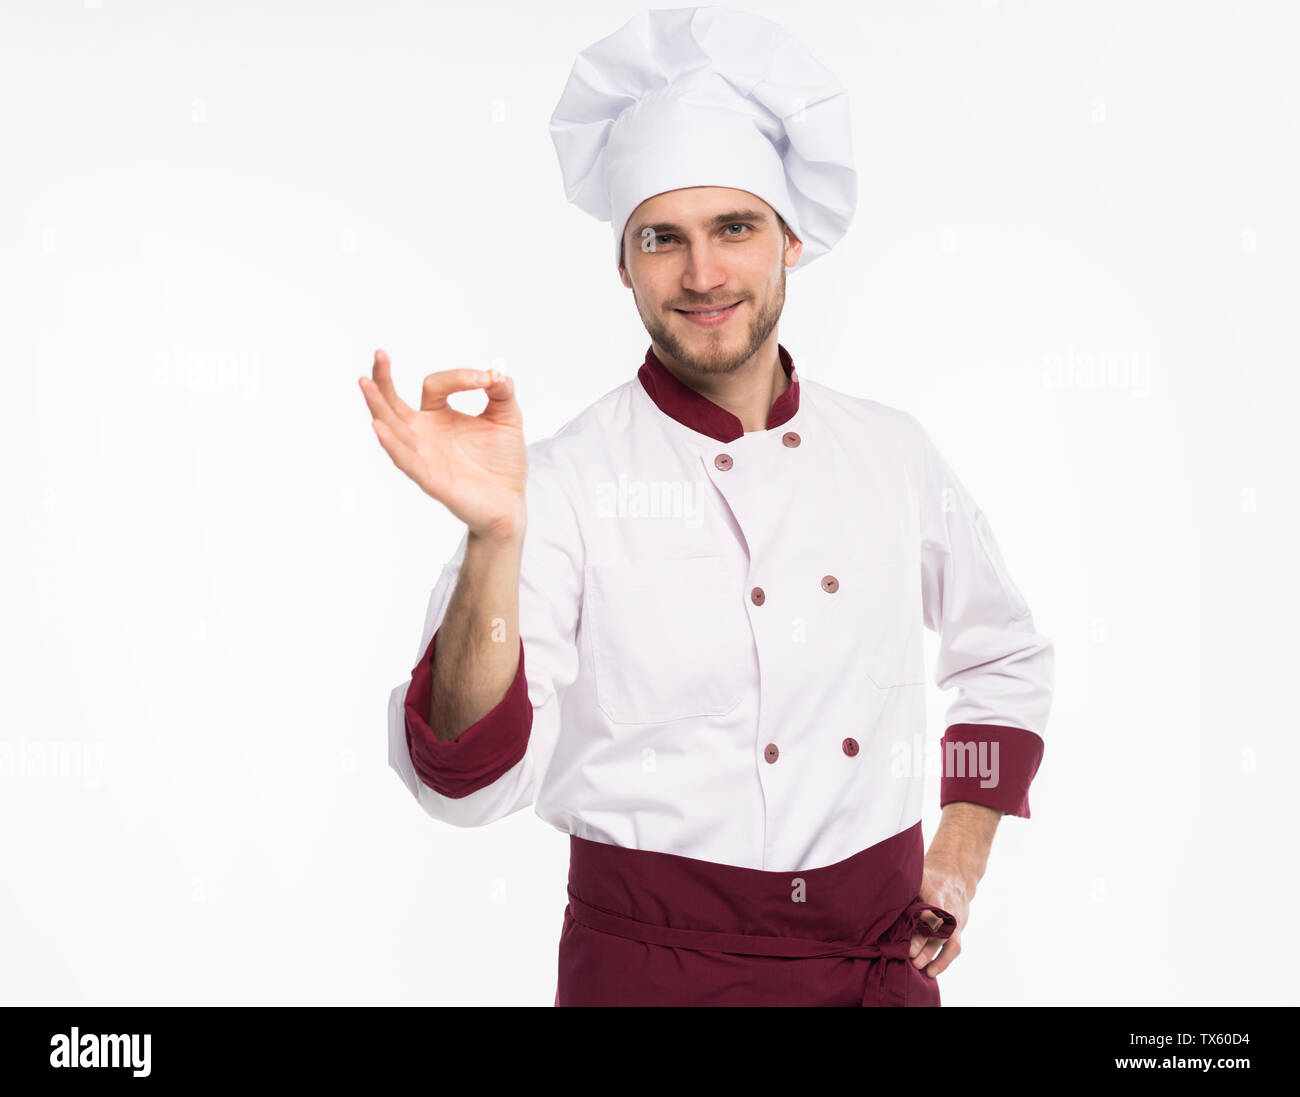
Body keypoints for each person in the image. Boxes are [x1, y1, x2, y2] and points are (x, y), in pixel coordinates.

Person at [359, 6, 1053, 1006]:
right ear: (622, 259)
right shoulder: (556, 484)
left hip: (873, 970)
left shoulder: (892, 455)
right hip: (650, 974)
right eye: (661, 238)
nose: (702, 274)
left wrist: (960, 844)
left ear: (790, 240)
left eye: (735, 227)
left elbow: (1004, 656)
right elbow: (458, 776)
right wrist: (494, 536)